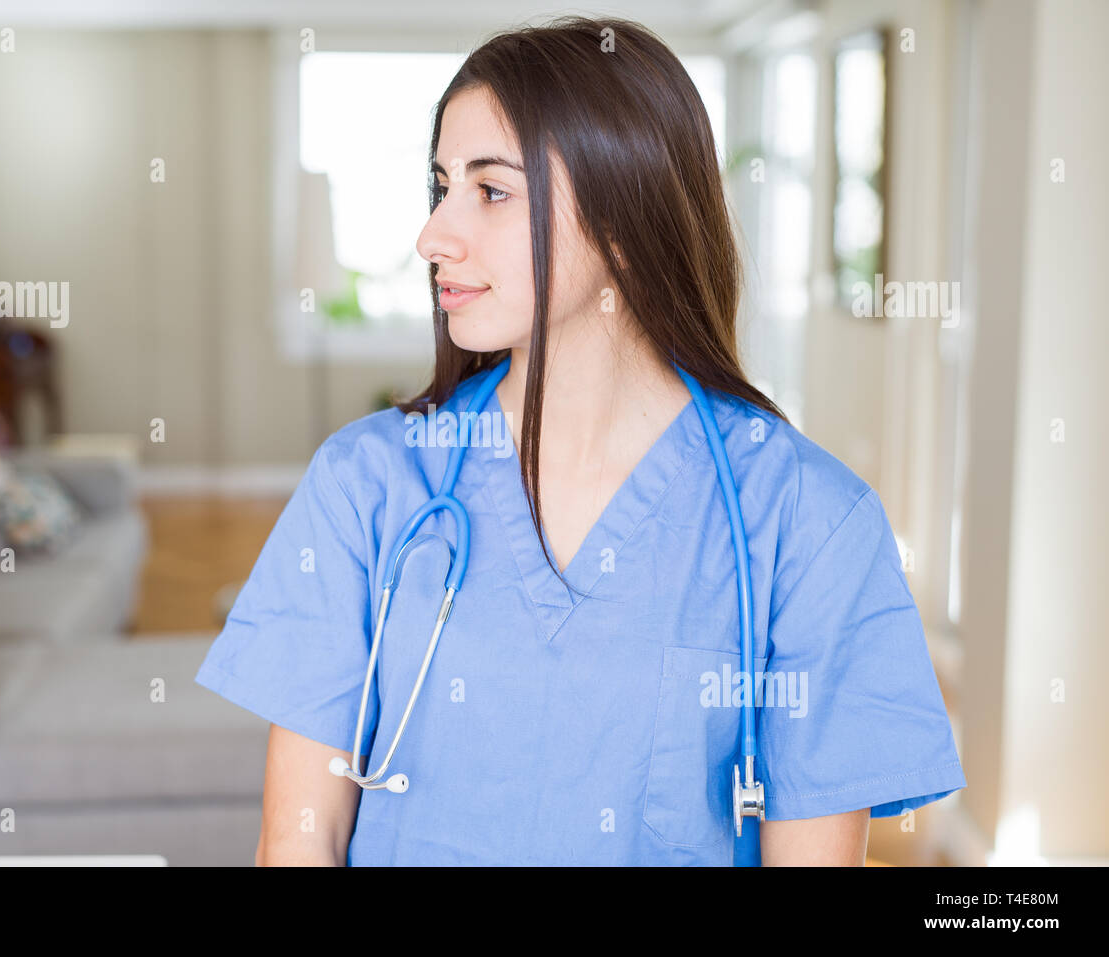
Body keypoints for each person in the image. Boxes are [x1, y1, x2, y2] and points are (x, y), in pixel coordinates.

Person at [195, 15, 966, 866]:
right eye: (440, 186)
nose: (432, 237)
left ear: (626, 221)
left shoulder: (810, 526)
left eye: (490, 191)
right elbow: (299, 843)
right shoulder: (365, 486)